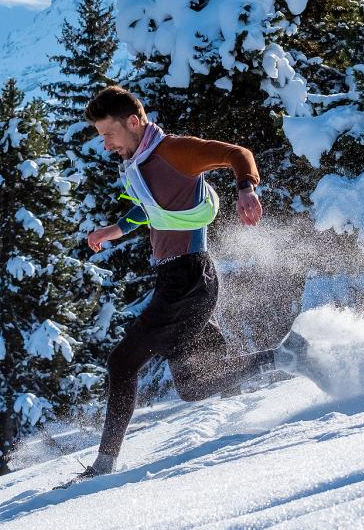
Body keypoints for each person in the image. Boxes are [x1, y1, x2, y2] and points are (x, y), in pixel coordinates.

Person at [59, 86, 299, 488]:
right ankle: (287, 356)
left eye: (108, 133)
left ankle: (103, 465)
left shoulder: (174, 151)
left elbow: (238, 154)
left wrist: (246, 189)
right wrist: (116, 229)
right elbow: (150, 205)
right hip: (184, 279)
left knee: (123, 363)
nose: (106, 144)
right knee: (194, 384)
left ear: (133, 123)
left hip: (188, 278)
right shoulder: (141, 161)